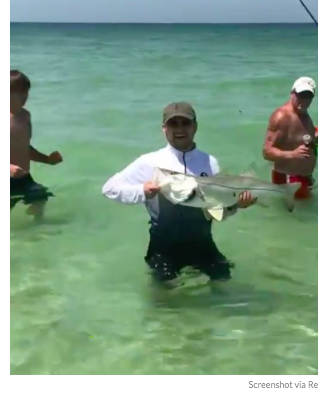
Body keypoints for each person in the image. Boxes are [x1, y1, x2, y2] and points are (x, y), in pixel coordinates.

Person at [102, 102, 257, 283]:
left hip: (203, 244)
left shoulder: (209, 162)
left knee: (224, 286)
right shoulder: (149, 162)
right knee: (165, 304)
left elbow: (216, 212)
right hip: (163, 248)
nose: (180, 129)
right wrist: (141, 191)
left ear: (195, 126)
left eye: (185, 123)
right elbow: (109, 188)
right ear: (164, 129)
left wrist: (237, 205)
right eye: (173, 124)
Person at [10, 70, 63, 218]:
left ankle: (37, 232)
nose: (24, 96)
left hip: (23, 177)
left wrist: (47, 160)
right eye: (18, 93)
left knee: (40, 197)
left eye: (26, 92)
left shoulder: (25, 116)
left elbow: (24, 148)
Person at [262, 77, 318, 204]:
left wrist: (314, 139)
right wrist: (293, 154)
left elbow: (296, 140)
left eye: (308, 96)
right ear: (292, 93)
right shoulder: (281, 117)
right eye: (300, 95)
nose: (304, 100)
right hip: (288, 179)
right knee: (301, 219)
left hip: (304, 177)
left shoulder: (303, 114)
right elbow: (266, 152)